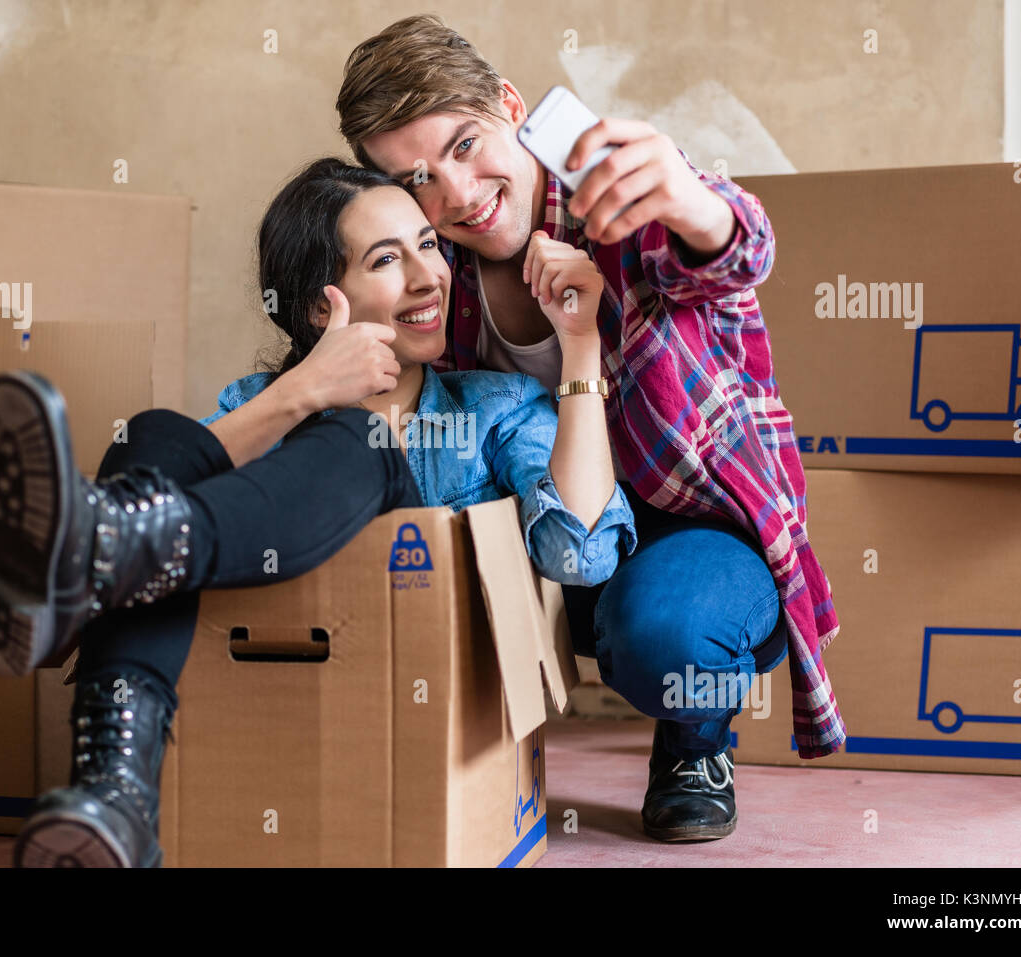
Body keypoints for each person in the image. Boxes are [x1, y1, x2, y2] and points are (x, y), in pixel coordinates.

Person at [0, 156, 636, 867]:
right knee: (157, 435)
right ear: (322, 305)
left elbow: (580, 555)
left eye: (428, 246)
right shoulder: (256, 401)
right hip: (270, 694)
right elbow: (177, 465)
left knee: (360, 440)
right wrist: (301, 392)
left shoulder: (493, 408)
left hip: (410, 696)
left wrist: (580, 345)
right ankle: (117, 793)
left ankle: (96, 552)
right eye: (386, 258)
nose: (427, 276)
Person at [335, 14, 846, 841]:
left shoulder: (615, 202)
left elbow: (734, 248)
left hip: (693, 523)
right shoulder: (439, 267)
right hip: (559, 520)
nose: (458, 194)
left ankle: (694, 741)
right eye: (421, 177)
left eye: (467, 145)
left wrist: (689, 197)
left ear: (510, 105)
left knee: (665, 638)